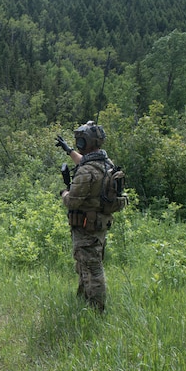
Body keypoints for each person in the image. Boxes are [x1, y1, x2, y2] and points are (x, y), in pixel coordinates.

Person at [59, 121, 124, 312]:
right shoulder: (106, 163)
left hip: (86, 227)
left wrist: (64, 193)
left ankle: (97, 311)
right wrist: (69, 150)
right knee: (86, 265)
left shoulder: (87, 170)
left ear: (85, 142)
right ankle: (84, 301)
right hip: (98, 226)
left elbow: (73, 201)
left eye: (79, 140)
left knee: (92, 269)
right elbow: (85, 163)